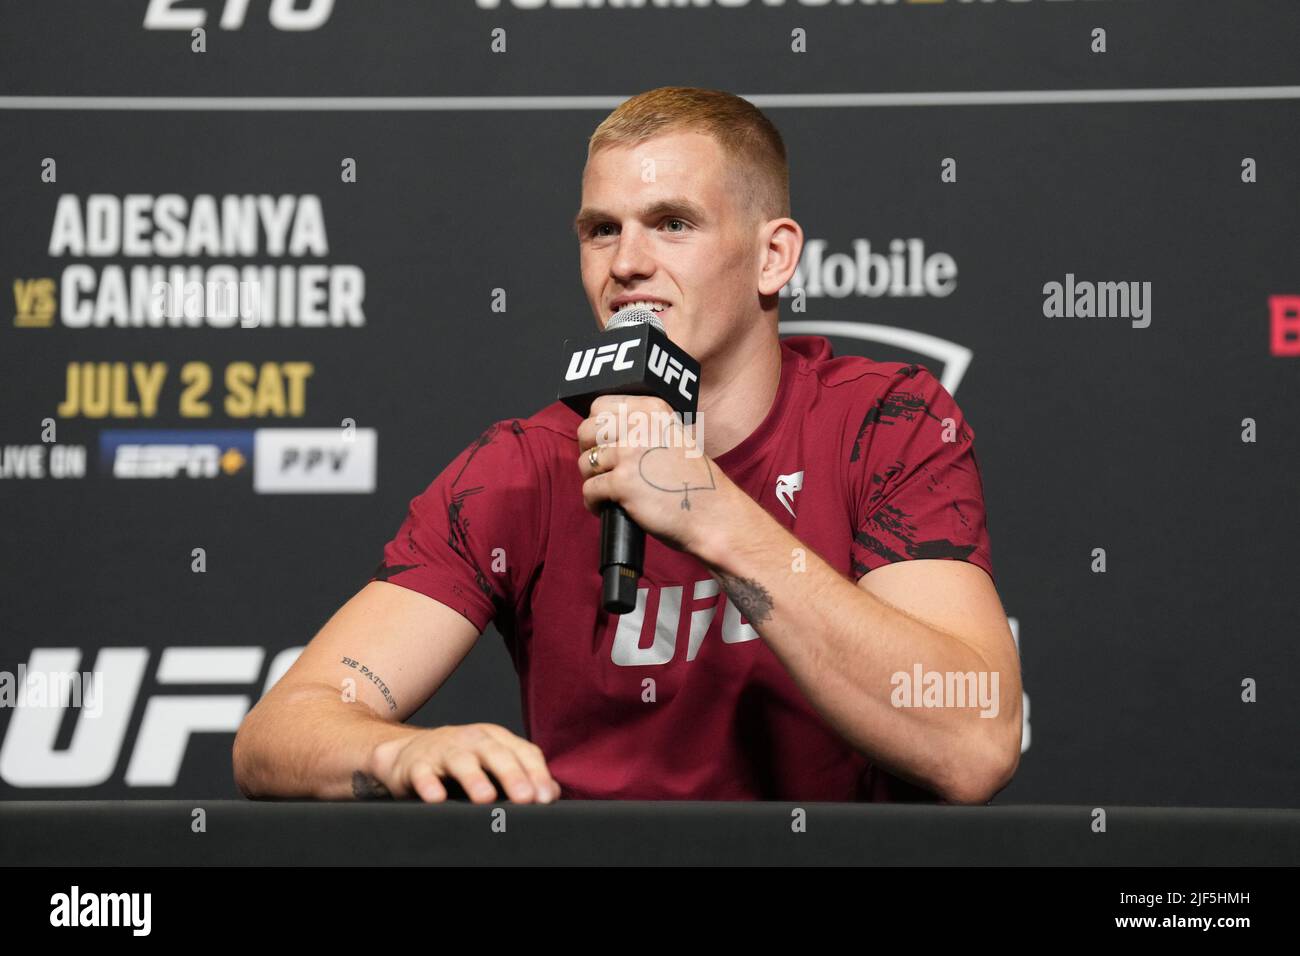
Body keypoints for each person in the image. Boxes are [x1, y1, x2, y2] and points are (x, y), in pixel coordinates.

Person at [233, 87, 1022, 805]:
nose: (628, 263)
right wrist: (396, 753)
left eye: (673, 224)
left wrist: (711, 513)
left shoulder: (885, 420)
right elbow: (280, 733)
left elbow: (975, 742)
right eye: (601, 230)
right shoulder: (524, 466)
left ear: (774, 256)